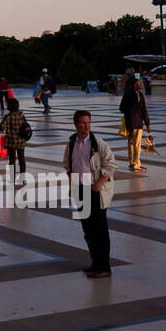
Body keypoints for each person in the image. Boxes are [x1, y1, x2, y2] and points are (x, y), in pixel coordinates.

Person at [64, 110, 116, 278]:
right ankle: (95, 262)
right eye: (83, 123)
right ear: (76, 124)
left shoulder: (97, 143)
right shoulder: (71, 143)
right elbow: (67, 164)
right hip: (80, 191)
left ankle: (104, 266)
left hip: (95, 192)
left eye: (88, 122)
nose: (86, 126)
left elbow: (111, 164)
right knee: (88, 230)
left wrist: (98, 184)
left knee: (100, 230)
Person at [118, 75, 151, 172]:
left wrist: (129, 112)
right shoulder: (139, 95)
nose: (141, 84)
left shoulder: (126, 94)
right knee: (136, 144)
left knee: (130, 143)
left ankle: (131, 163)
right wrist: (148, 124)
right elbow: (144, 110)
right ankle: (136, 165)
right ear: (134, 85)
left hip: (129, 122)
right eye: (139, 83)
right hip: (137, 123)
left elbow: (121, 108)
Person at [0, 97, 31, 177]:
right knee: (22, 159)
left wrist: (5, 131)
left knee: (12, 161)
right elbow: (26, 124)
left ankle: (12, 178)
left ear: (9, 107)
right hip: (21, 141)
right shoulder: (21, 114)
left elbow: (1, 127)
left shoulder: (8, 116)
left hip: (11, 142)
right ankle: (22, 178)